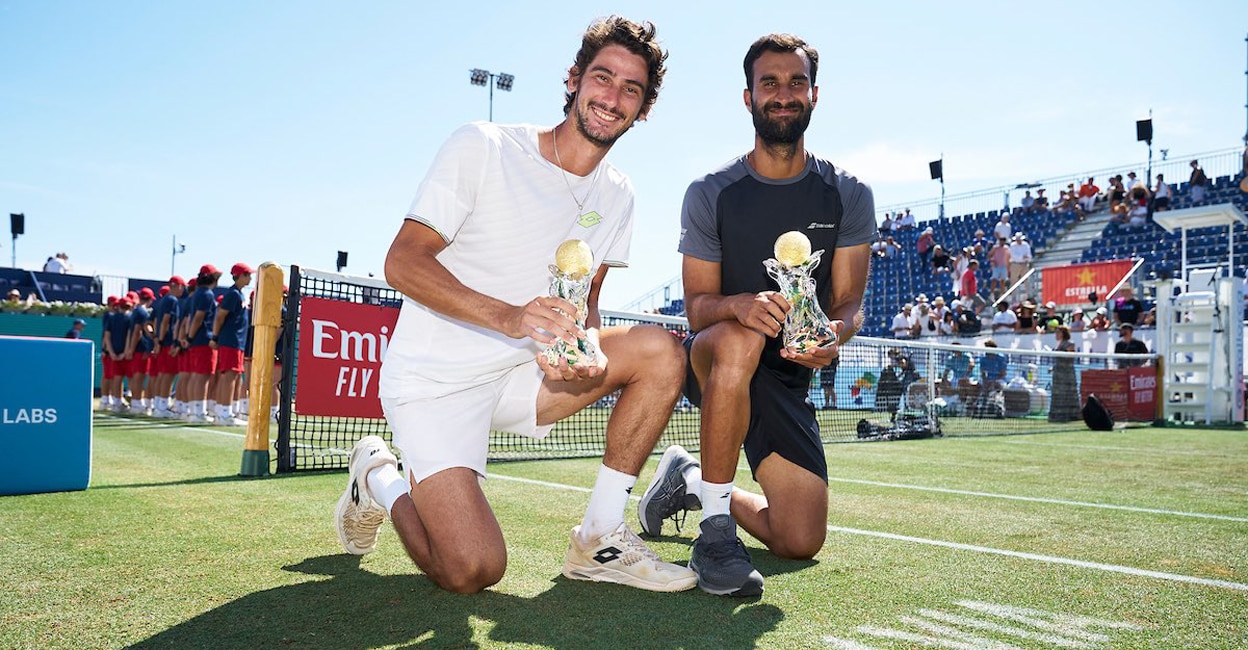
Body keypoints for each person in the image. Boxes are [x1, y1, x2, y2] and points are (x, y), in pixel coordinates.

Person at [345, 17, 692, 596]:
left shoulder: (619, 193)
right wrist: (509, 317)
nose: (612, 98)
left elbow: (590, 305)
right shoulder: (482, 145)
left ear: (644, 107)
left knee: (661, 352)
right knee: (472, 571)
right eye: (602, 77)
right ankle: (378, 475)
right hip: (436, 382)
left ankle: (599, 538)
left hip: (526, 376)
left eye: (631, 89)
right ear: (575, 78)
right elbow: (402, 262)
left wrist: (581, 351)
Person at [640, 33, 874, 597]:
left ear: (815, 95)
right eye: (769, 83)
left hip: (788, 378)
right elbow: (697, 305)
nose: (783, 94)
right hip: (717, 358)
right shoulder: (711, 191)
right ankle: (715, 532)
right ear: (748, 97)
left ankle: (689, 479)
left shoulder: (848, 193)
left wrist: (832, 338)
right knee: (741, 339)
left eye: (796, 82)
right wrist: (741, 306)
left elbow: (848, 304)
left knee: (799, 539)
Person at [210, 263, 253, 426]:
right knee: (229, 376)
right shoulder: (233, 294)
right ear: (240, 276)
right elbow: (220, 316)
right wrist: (215, 337)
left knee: (232, 376)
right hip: (231, 341)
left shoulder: (239, 294)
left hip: (237, 342)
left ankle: (223, 411)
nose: (250, 278)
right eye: (248, 275)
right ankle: (223, 414)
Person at [1049, 325, 1080, 422]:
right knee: (1058, 394)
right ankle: (1057, 414)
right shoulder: (1058, 345)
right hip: (1058, 373)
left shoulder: (1069, 343)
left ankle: (1071, 415)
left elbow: (1070, 356)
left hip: (1067, 373)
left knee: (1068, 393)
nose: (1056, 334)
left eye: (1058, 332)